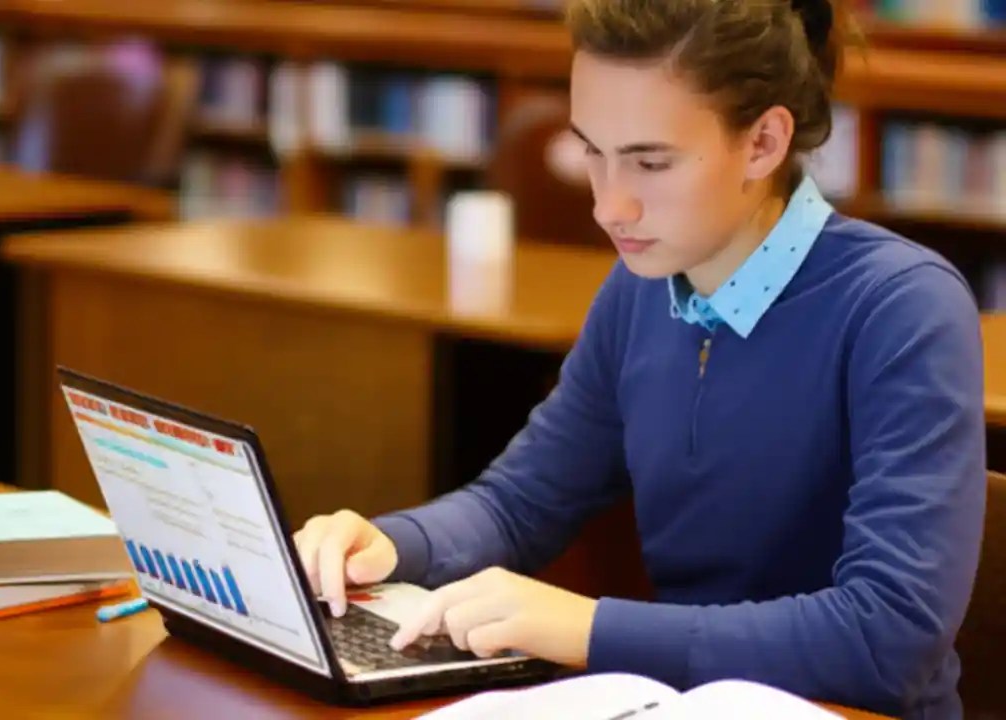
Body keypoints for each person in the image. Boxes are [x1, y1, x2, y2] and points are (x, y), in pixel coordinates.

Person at [292, 1, 987, 718]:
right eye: (593, 151)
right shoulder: (641, 289)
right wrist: (392, 543)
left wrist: (587, 627)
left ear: (764, 142)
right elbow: (519, 503)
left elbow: (888, 640)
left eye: (650, 161)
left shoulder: (900, 307)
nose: (609, 206)